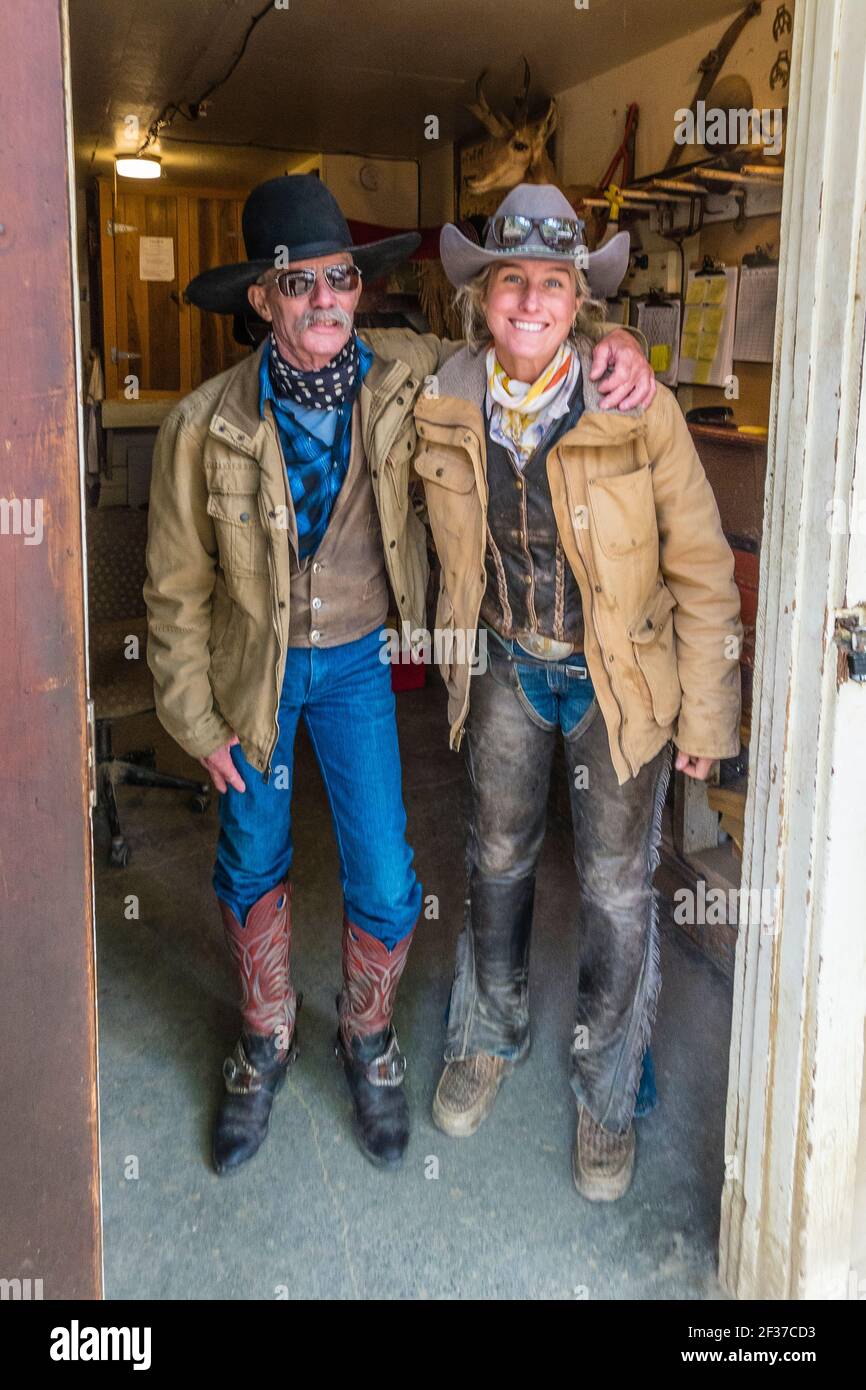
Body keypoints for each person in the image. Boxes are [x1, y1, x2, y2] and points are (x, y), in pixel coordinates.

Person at [144, 175, 654, 1177]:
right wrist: (192, 716)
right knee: (251, 858)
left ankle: (366, 1038)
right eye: (300, 284)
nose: (327, 298)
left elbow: (524, 345)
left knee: (383, 872)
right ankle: (263, 1040)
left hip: (355, 667)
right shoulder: (199, 425)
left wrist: (618, 343)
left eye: (340, 278)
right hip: (247, 671)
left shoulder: (408, 373)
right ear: (262, 300)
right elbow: (170, 591)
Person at [413, 183, 743, 1201]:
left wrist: (706, 713)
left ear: (577, 301)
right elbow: (341, 359)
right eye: (508, 278)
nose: (527, 299)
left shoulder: (632, 404)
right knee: (499, 855)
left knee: (612, 887)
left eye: (550, 283)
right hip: (509, 663)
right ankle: (488, 1031)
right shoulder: (441, 394)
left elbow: (698, 559)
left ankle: (604, 1092)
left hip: (612, 677)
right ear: (479, 295)